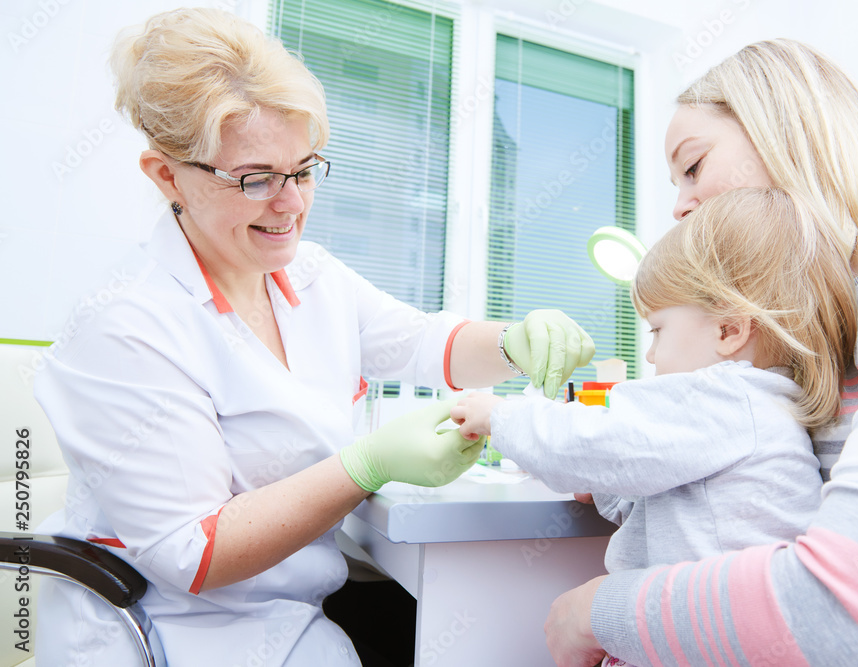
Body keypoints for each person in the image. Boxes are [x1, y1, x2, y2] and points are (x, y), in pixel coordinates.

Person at [31, 8, 594, 666]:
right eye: (256, 179)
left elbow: (423, 343)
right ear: (167, 175)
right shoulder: (124, 323)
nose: (292, 203)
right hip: (171, 631)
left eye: (303, 169)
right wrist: (366, 465)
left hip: (289, 616)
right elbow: (194, 551)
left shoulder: (308, 274)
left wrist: (513, 341)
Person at [542, 39, 858, 666]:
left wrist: (595, 613)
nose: (679, 206)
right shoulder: (802, 326)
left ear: (789, 130)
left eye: (694, 166)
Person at [452, 185, 856, 666]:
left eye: (658, 330)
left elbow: (603, 441)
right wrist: (602, 485)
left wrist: (498, 416)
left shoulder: (723, 397)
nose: (650, 353)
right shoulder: (759, 406)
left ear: (729, 331)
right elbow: (671, 496)